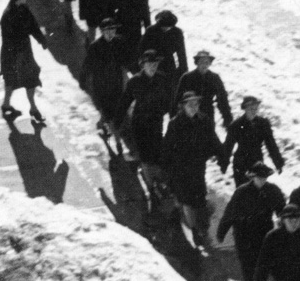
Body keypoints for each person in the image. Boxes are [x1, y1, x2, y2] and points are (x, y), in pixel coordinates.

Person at [161, 91, 224, 247]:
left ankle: (190, 220)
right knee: (187, 199)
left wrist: (220, 153)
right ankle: (195, 231)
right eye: (190, 104)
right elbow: (167, 148)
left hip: (198, 167)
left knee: (199, 197)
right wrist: (166, 170)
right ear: (183, 106)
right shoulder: (175, 124)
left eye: (196, 104)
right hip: (180, 169)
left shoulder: (203, 120)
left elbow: (212, 138)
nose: (194, 107)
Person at [216, 161, 286, 281]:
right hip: (244, 233)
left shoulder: (273, 191)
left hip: (263, 231)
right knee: (247, 263)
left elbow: (282, 210)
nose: (262, 180)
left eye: (264, 177)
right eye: (259, 177)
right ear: (253, 177)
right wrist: (221, 232)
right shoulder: (241, 192)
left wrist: (284, 225)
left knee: (263, 262)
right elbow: (230, 213)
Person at [122, 49, 175, 177]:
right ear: (143, 65)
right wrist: (118, 121)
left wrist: (167, 111)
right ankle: (151, 185)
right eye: (150, 64)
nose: (153, 67)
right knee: (145, 154)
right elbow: (124, 102)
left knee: (156, 152)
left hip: (156, 121)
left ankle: (157, 181)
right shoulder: (135, 81)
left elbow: (169, 99)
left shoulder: (162, 79)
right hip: (140, 123)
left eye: (155, 64)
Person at [0, 0, 47, 124]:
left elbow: (33, 26)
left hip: (23, 51)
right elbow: (9, 38)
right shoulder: (8, 15)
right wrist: (18, 53)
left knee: (30, 79)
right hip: (12, 53)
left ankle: (33, 108)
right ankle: (6, 105)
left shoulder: (23, 8)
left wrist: (41, 39)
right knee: (11, 80)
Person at [81, 17, 130, 139]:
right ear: (102, 31)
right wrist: (83, 81)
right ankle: (107, 126)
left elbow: (126, 60)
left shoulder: (120, 42)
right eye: (107, 30)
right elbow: (87, 65)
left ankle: (106, 123)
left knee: (116, 105)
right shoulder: (95, 47)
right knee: (106, 107)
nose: (110, 33)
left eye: (113, 30)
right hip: (101, 83)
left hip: (116, 80)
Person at [224, 95, 284, 184]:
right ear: (245, 108)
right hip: (241, 163)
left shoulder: (263, 123)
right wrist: (223, 164)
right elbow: (228, 146)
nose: (254, 111)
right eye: (251, 108)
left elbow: (271, 144)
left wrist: (278, 163)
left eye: (256, 109)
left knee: (257, 190)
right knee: (242, 191)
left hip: (257, 161)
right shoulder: (236, 125)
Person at [104, 0, 150, 65]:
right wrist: (110, 27)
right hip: (121, 23)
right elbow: (109, 10)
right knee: (121, 50)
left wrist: (147, 27)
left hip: (135, 24)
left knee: (135, 50)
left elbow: (145, 9)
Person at [177, 50, 233, 129]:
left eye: (207, 62)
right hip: (189, 115)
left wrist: (228, 120)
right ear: (197, 63)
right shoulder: (186, 77)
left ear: (210, 64)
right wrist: (176, 119)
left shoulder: (215, 78)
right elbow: (177, 100)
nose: (204, 65)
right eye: (202, 62)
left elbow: (223, 100)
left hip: (208, 115)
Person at [139, 10, 187, 80]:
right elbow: (141, 50)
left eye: (168, 27)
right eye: (163, 26)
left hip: (169, 63)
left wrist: (183, 72)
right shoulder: (150, 31)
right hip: (152, 62)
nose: (166, 28)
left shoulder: (177, 32)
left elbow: (181, 54)